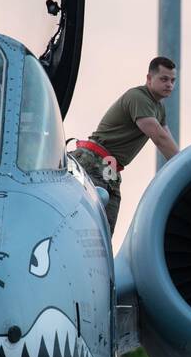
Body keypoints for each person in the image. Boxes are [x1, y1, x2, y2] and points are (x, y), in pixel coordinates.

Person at [69, 57, 181, 233]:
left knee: (103, 231)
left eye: (173, 80)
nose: (169, 84)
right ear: (149, 78)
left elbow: (167, 137)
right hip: (94, 161)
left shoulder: (159, 108)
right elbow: (160, 137)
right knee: (86, 229)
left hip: (110, 168)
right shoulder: (138, 97)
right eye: (164, 79)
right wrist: (184, 165)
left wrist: (181, 161)